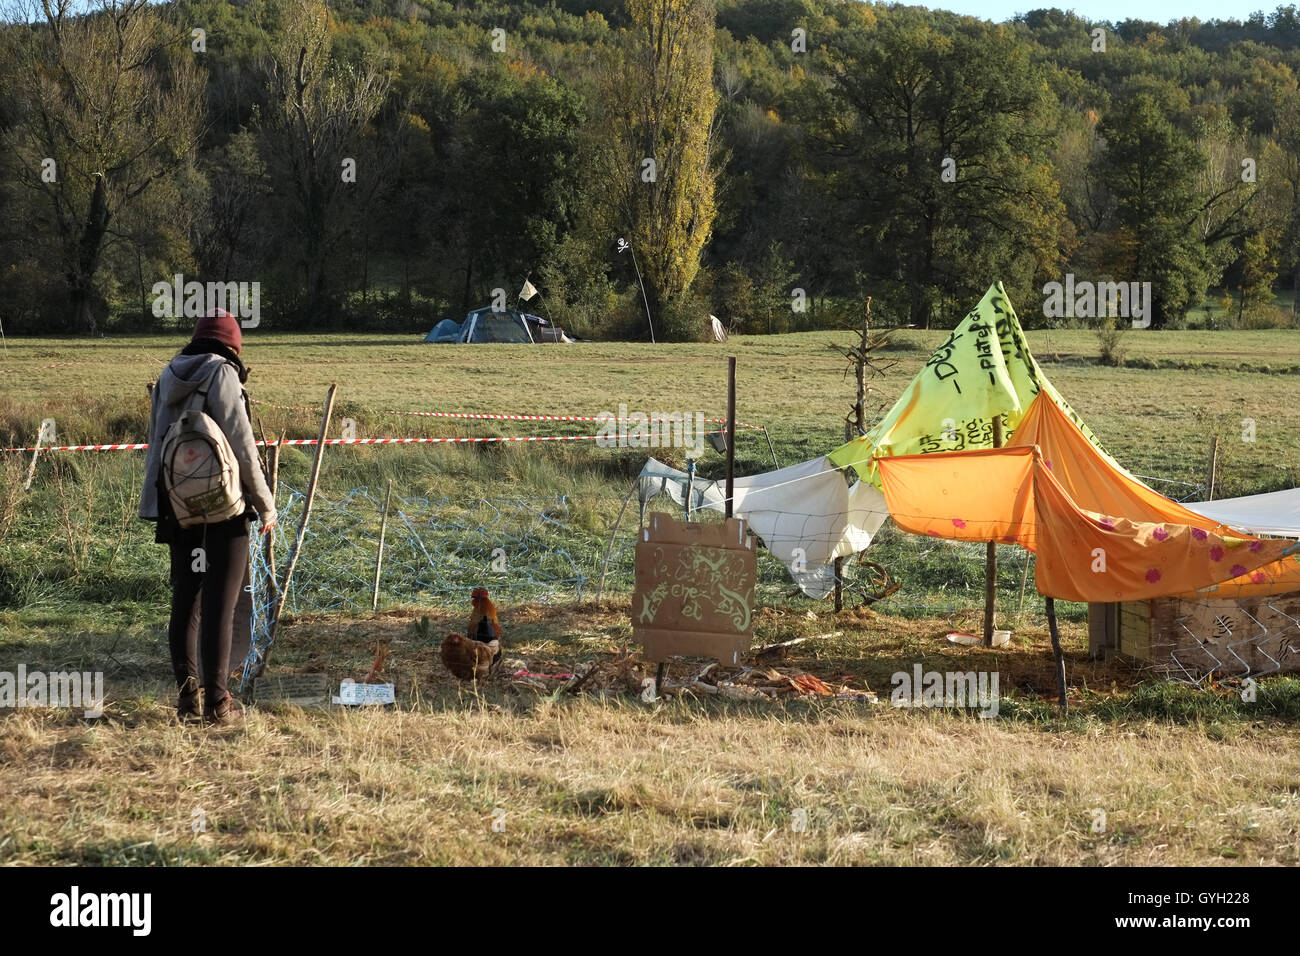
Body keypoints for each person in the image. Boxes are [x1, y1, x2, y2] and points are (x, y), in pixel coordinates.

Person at [139, 309, 276, 725]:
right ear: (233, 345)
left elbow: (154, 443)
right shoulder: (223, 374)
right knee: (221, 601)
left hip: (176, 505)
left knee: (186, 601)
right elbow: (242, 443)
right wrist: (265, 503)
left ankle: (187, 701)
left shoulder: (167, 375)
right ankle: (219, 703)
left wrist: (156, 503)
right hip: (223, 506)